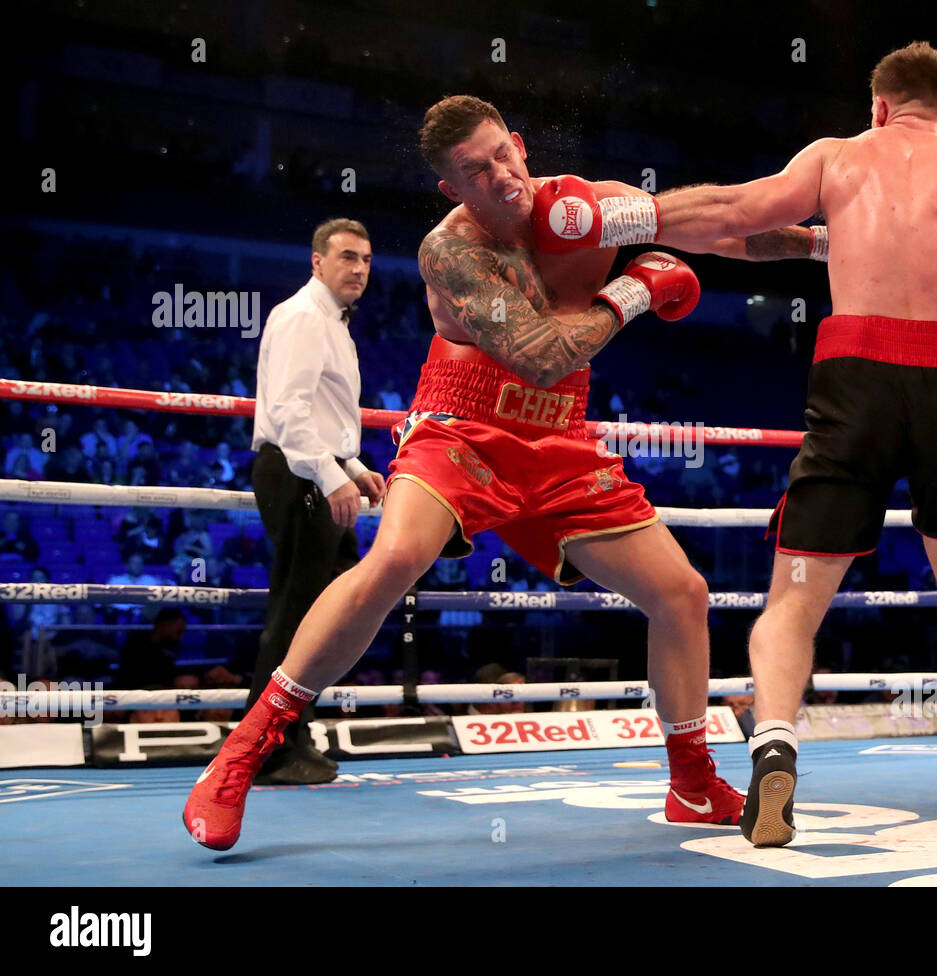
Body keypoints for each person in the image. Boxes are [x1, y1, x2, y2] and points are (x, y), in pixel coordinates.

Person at [184, 94, 820, 851]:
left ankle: (690, 782)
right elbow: (541, 352)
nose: (499, 176)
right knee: (394, 558)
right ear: (454, 188)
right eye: (474, 172)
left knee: (681, 592)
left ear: (519, 146)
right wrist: (633, 292)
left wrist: (820, 248)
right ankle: (244, 750)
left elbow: (718, 224)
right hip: (465, 427)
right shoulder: (449, 251)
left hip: (560, 437)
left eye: (501, 156)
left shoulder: (593, 211)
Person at [534, 42, 937, 845]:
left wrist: (632, 215)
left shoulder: (840, 157)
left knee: (797, 593)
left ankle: (774, 748)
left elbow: (736, 213)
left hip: (855, 375)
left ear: (877, 107)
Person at [246, 217, 388, 785]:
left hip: (318, 472)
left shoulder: (332, 323)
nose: (358, 268)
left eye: (367, 260)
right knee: (294, 616)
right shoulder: (303, 317)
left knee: (323, 616)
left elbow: (322, 419)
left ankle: (294, 736)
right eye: (348, 257)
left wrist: (352, 468)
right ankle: (268, 751)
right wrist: (331, 478)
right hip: (299, 474)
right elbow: (289, 413)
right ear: (318, 262)